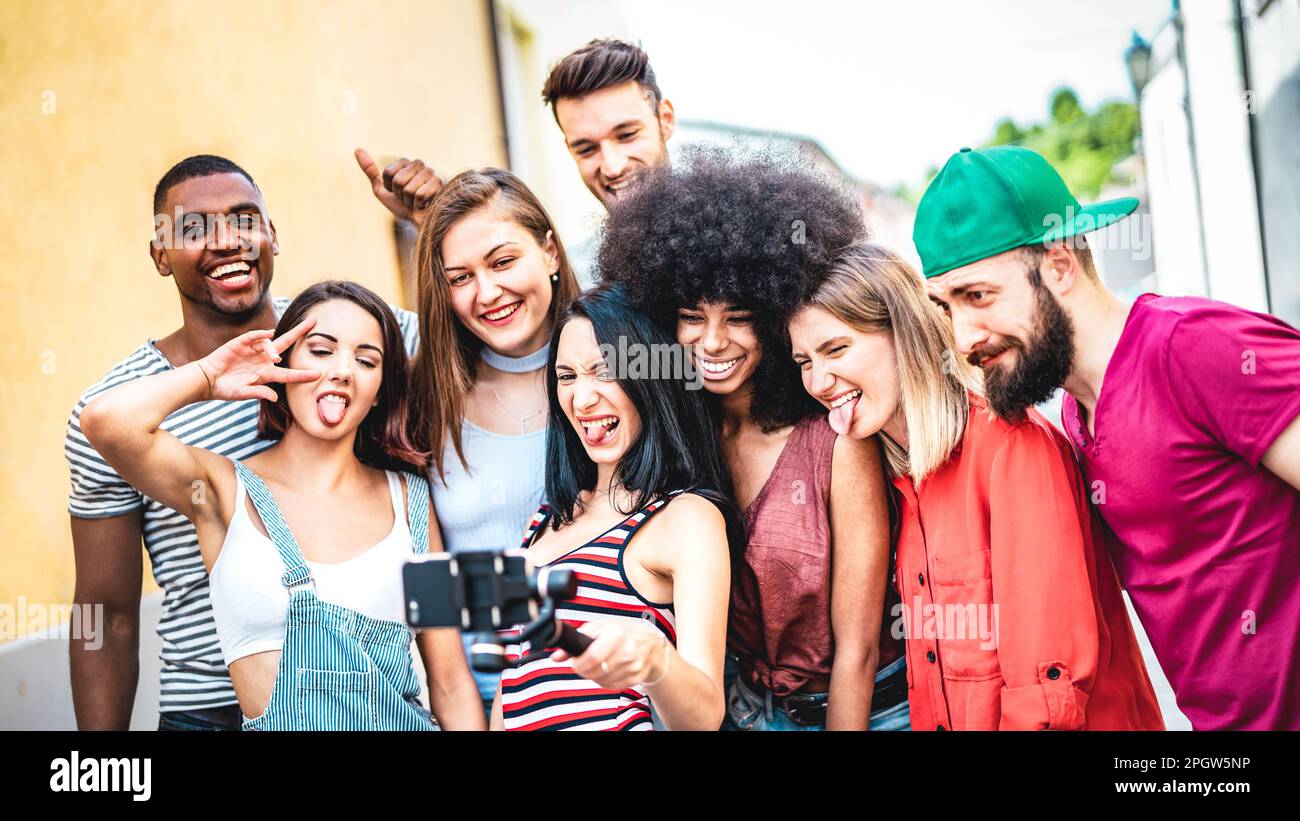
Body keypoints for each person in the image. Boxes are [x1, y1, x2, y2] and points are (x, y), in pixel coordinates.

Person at [915, 145, 1300, 730]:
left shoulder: (1193, 348)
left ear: (1060, 265)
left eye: (979, 296)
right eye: (947, 306)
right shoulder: (1076, 413)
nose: (964, 335)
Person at [65, 155, 418, 730]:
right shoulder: (123, 403)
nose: (226, 242)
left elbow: (486, 338)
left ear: (272, 236)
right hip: (207, 710)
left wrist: (430, 221)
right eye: (193, 229)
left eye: (244, 219)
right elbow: (106, 615)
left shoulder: (364, 339)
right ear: (159, 255)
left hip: (356, 703)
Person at [788, 242, 1165, 731]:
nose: (819, 381)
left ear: (904, 335)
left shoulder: (1012, 446)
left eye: (836, 349)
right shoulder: (896, 476)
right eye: (803, 362)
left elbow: (1045, 691)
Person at [79, 281, 483, 730]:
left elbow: (449, 682)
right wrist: (210, 377)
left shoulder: (412, 504)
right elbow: (105, 422)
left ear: (379, 392)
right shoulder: (222, 490)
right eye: (321, 350)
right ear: (283, 363)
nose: (343, 370)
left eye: (366, 360)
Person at [599, 149, 907, 731]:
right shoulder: (679, 443)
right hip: (746, 713)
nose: (711, 342)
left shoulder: (836, 440)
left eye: (737, 316)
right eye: (692, 315)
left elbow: (857, 653)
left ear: (774, 314)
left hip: (864, 710)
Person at [493, 283, 739, 731]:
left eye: (604, 371)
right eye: (566, 377)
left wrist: (653, 656)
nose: (581, 399)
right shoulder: (542, 523)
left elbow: (704, 717)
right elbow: (510, 695)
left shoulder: (684, 518)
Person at [401, 167, 581, 710]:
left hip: (609, 698)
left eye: (503, 262)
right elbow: (431, 596)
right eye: (460, 278)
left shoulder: (618, 376)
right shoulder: (424, 402)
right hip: (483, 697)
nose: (488, 292)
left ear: (550, 252)